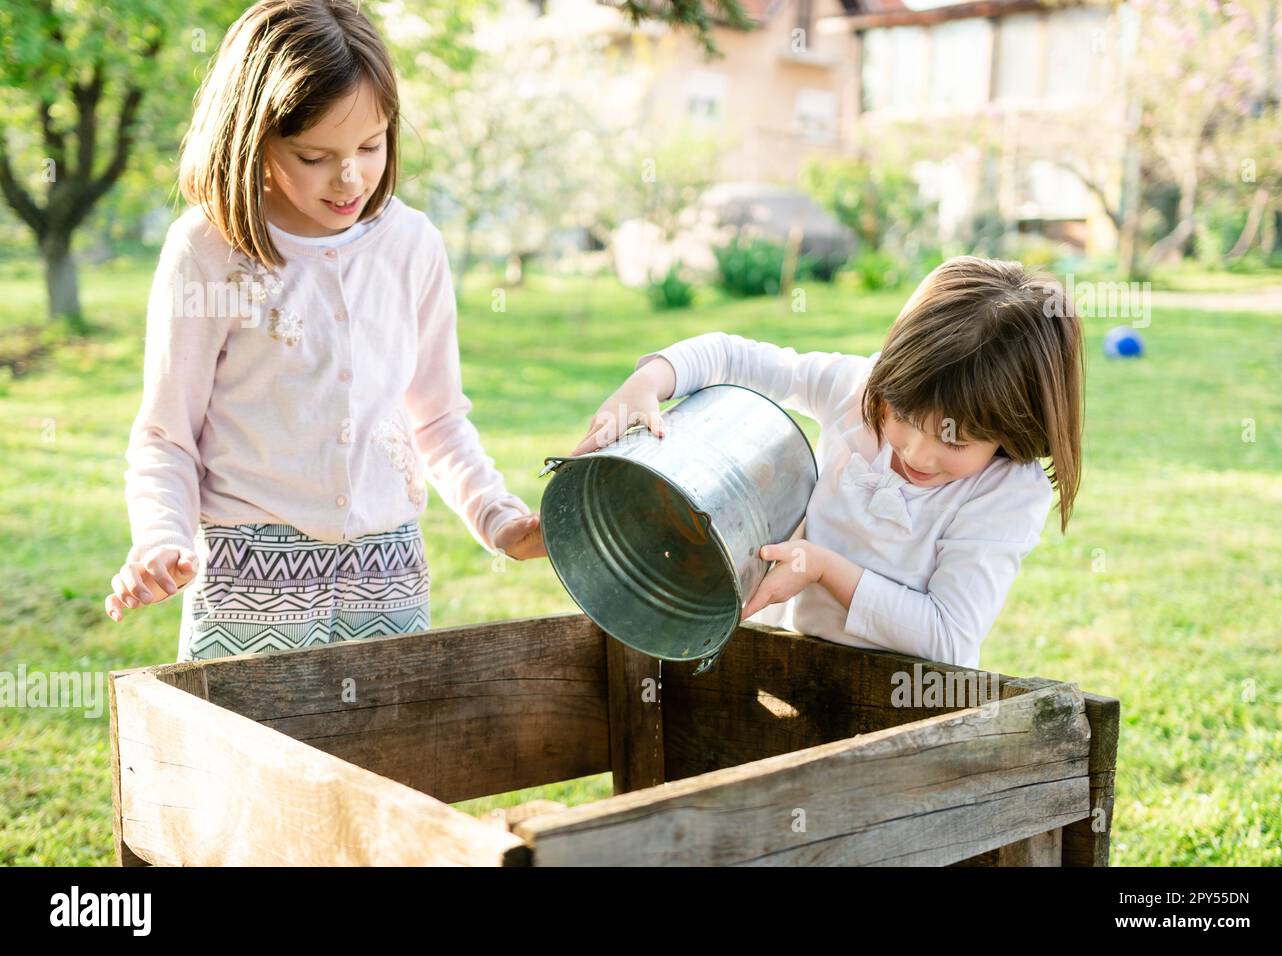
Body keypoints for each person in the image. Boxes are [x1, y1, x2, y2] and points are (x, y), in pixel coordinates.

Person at [105, 0, 544, 661]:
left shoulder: (412, 245)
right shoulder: (207, 249)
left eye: (371, 146)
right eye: (314, 155)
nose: (350, 178)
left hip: (388, 570)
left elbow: (437, 420)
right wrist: (161, 538)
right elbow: (167, 435)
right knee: (250, 756)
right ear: (252, 139)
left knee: (379, 755)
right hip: (247, 572)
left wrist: (499, 517)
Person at [571, 256, 1085, 668]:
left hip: (906, 709)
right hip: (787, 662)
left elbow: (947, 639)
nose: (915, 451)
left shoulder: (1006, 493)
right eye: (902, 414)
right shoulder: (858, 391)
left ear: (1018, 430)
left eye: (957, 441)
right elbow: (734, 357)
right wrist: (648, 382)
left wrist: (820, 566)